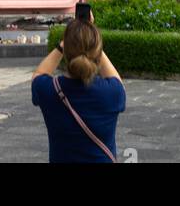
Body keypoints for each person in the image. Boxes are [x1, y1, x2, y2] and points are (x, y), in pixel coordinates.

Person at [31, 16, 125, 163]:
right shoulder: (112, 93)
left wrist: (63, 45)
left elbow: (38, 74)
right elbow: (117, 81)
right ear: (97, 52)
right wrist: (92, 39)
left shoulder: (49, 90)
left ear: (66, 50)